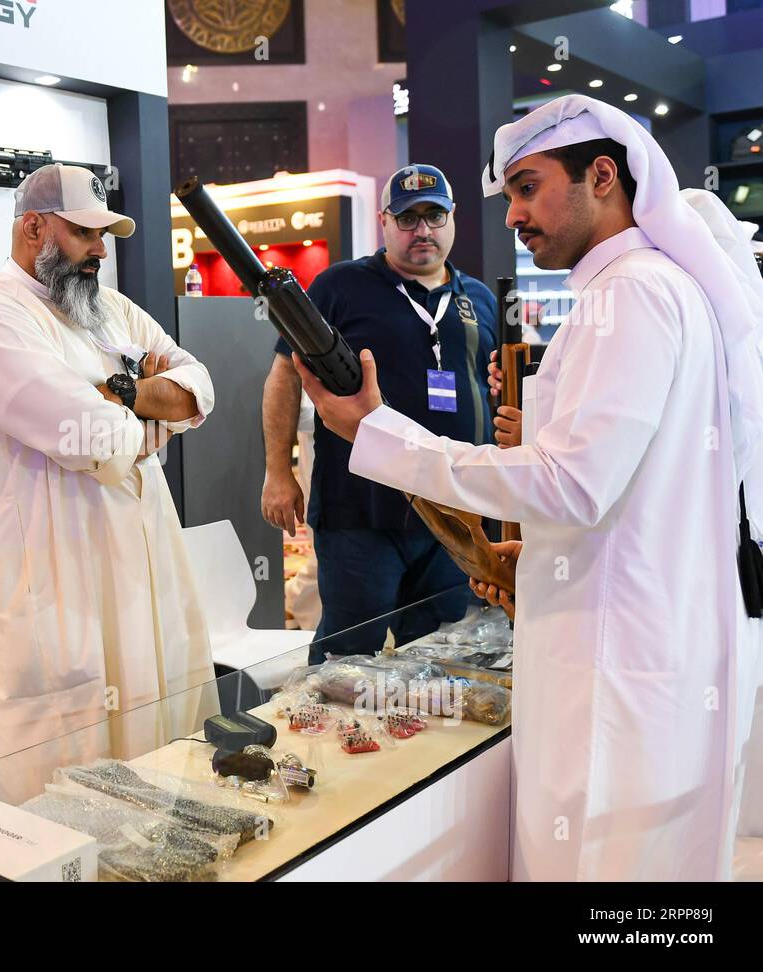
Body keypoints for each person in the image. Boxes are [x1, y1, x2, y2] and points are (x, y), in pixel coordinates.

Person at [294, 94, 763, 881]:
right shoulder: (645, 291)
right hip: (639, 642)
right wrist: (534, 549)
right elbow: (621, 486)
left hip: (617, 665)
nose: (511, 214)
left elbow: (572, 484)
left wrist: (379, 432)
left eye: (527, 187)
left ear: (603, 176)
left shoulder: (632, 294)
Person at [0, 163, 217, 801]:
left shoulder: (109, 311)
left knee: (168, 790)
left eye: (105, 235)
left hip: (143, 584)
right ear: (33, 228)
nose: (101, 249)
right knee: (73, 813)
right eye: (83, 233)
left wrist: (119, 394)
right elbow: (95, 439)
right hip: (59, 594)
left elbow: (200, 389)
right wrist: (146, 412)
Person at [260, 164, 497, 662]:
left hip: (452, 512)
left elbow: (492, 387)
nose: (422, 231)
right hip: (359, 513)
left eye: (435, 216)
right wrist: (278, 472)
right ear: (384, 223)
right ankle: (324, 740)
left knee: (443, 655)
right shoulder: (341, 287)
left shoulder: (479, 299)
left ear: (453, 219)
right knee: (348, 654)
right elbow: (284, 374)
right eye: (408, 219)